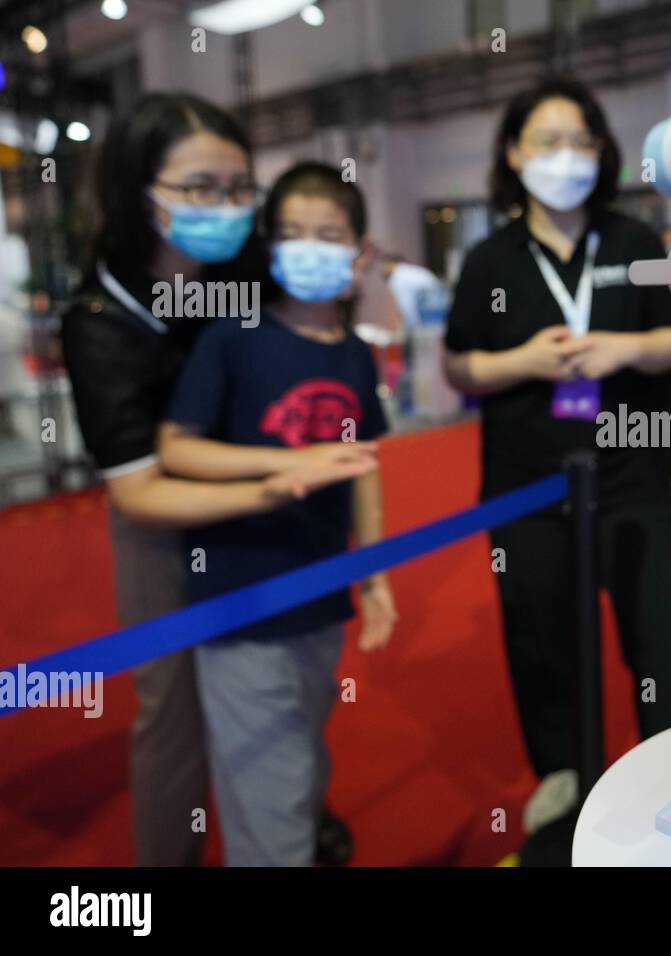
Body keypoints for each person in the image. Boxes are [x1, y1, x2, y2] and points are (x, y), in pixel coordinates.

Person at [60, 93, 370, 867]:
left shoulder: (243, 271)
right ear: (141, 189)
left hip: (278, 514)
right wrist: (277, 481)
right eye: (200, 187)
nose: (225, 207)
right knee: (174, 716)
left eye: (238, 189)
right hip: (171, 526)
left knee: (290, 690)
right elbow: (138, 492)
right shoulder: (103, 316)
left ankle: (292, 820)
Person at [443, 76, 671, 863]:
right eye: (546, 141)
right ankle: (564, 776)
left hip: (633, 475)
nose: (566, 157)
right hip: (529, 486)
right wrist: (521, 360)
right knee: (543, 641)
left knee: (666, 634)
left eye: (581, 141)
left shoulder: (632, 242)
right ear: (513, 154)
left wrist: (622, 348)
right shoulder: (491, 258)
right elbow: (459, 368)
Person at [157, 162, 396, 866]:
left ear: (357, 251)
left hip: (322, 598)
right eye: (292, 233)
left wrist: (376, 577)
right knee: (273, 781)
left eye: (328, 234)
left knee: (301, 753)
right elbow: (178, 449)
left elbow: (364, 472)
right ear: (268, 245)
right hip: (239, 599)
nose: (309, 248)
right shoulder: (233, 337)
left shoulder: (355, 356)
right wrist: (285, 465)